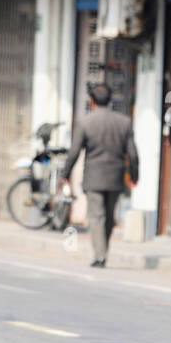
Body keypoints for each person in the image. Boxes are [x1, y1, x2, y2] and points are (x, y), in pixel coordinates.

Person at [61, 83, 139, 268]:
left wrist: (66, 174)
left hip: (94, 176)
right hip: (115, 176)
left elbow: (74, 151)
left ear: (92, 101)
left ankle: (100, 255)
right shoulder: (124, 122)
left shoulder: (86, 122)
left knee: (97, 216)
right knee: (109, 217)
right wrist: (135, 176)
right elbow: (133, 154)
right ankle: (103, 251)